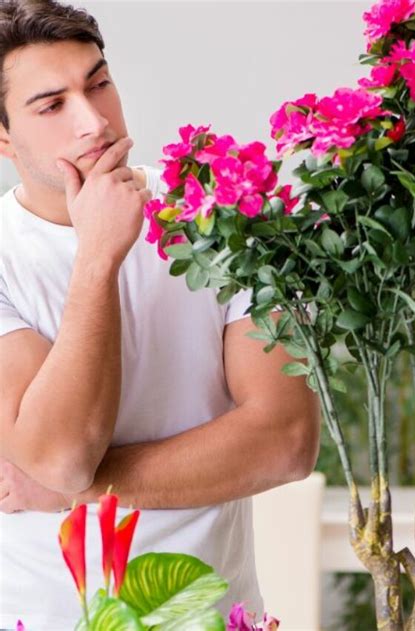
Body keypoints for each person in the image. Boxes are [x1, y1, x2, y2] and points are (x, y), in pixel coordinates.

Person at [0, 1, 320, 628]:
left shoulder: (227, 219)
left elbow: (285, 441)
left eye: (98, 84)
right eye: (52, 105)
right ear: (4, 135)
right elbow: (64, 453)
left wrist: (72, 492)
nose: (94, 121)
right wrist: (98, 256)